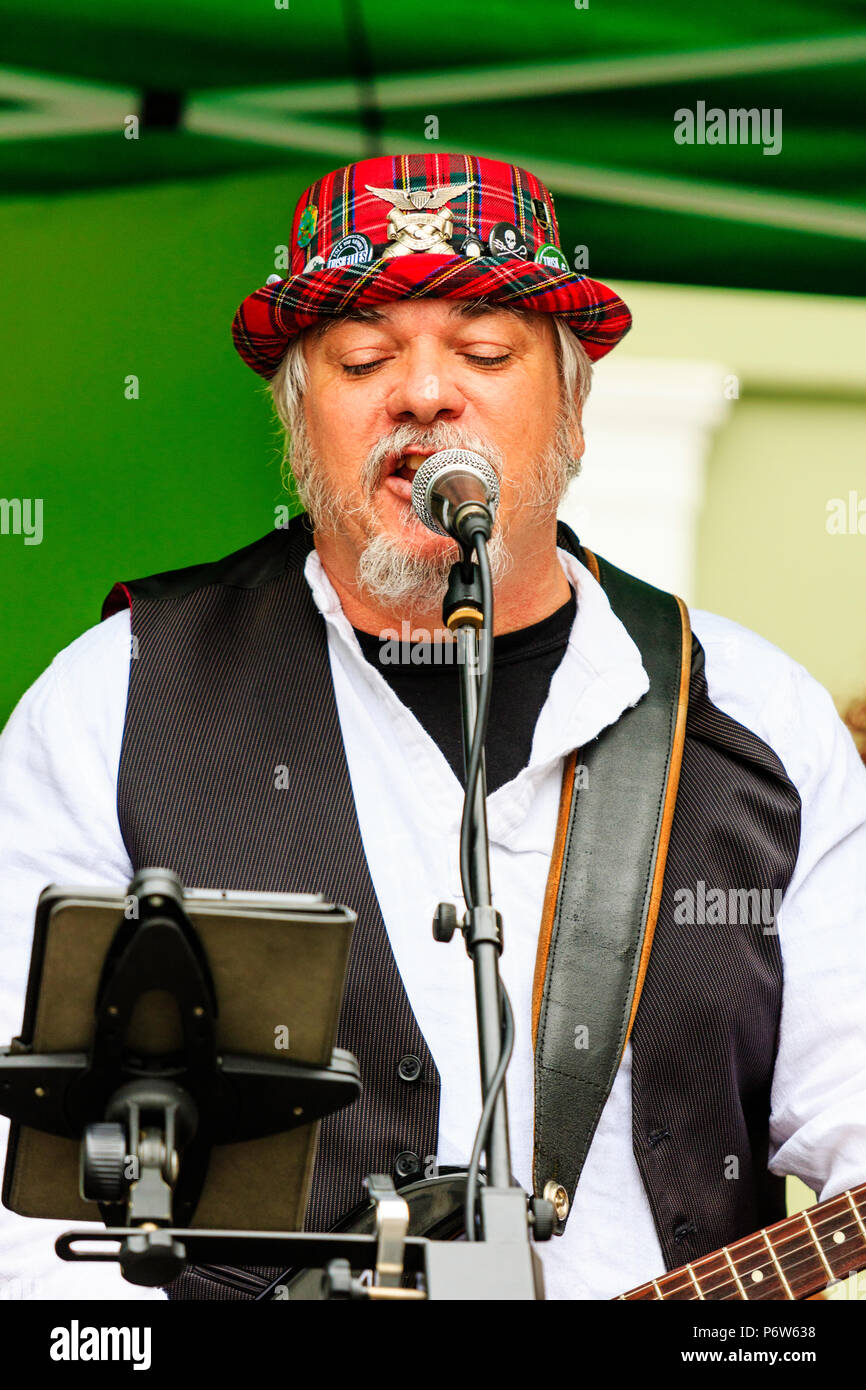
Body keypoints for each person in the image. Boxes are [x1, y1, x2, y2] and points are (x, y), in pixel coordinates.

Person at [1, 153, 865, 1302]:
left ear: (571, 405)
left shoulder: (757, 718)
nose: (420, 392)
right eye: (363, 357)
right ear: (297, 414)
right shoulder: (114, 697)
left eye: (484, 351)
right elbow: (24, 1216)